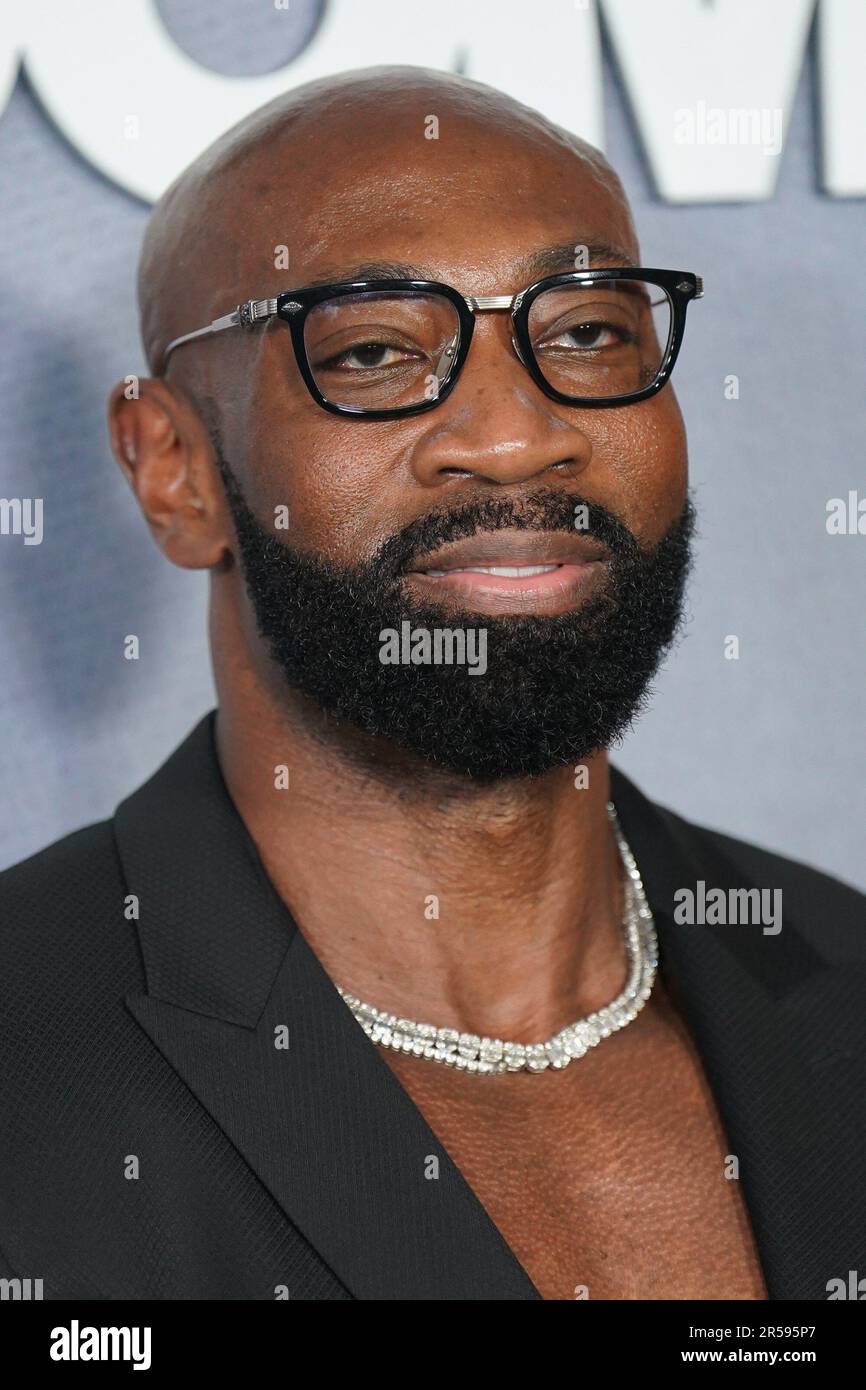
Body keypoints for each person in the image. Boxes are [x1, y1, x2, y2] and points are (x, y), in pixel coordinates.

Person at [1, 66, 863, 1303]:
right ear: (174, 470)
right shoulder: (24, 1063)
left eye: (584, 331)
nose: (516, 435)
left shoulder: (835, 969)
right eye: (371, 352)